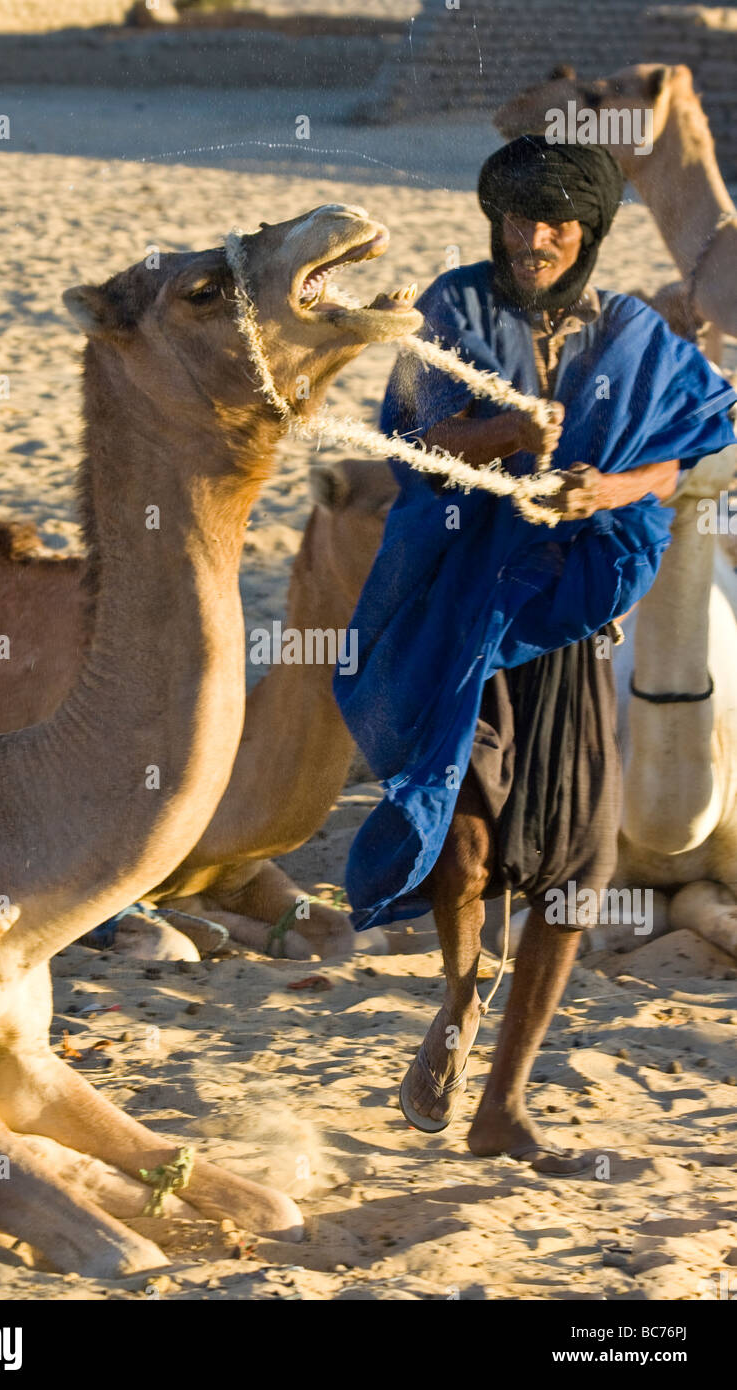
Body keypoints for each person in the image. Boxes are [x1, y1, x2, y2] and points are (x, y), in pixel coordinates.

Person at [333, 136, 737, 1171]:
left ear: (587, 232)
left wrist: (608, 489)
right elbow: (417, 445)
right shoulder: (449, 315)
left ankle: (501, 1102)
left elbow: (685, 446)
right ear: (494, 222)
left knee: (575, 870)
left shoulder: (636, 333)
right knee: (460, 837)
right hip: (460, 602)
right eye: (517, 218)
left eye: (556, 221)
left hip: (569, 621)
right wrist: (509, 435)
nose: (533, 238)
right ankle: (455, 1002)